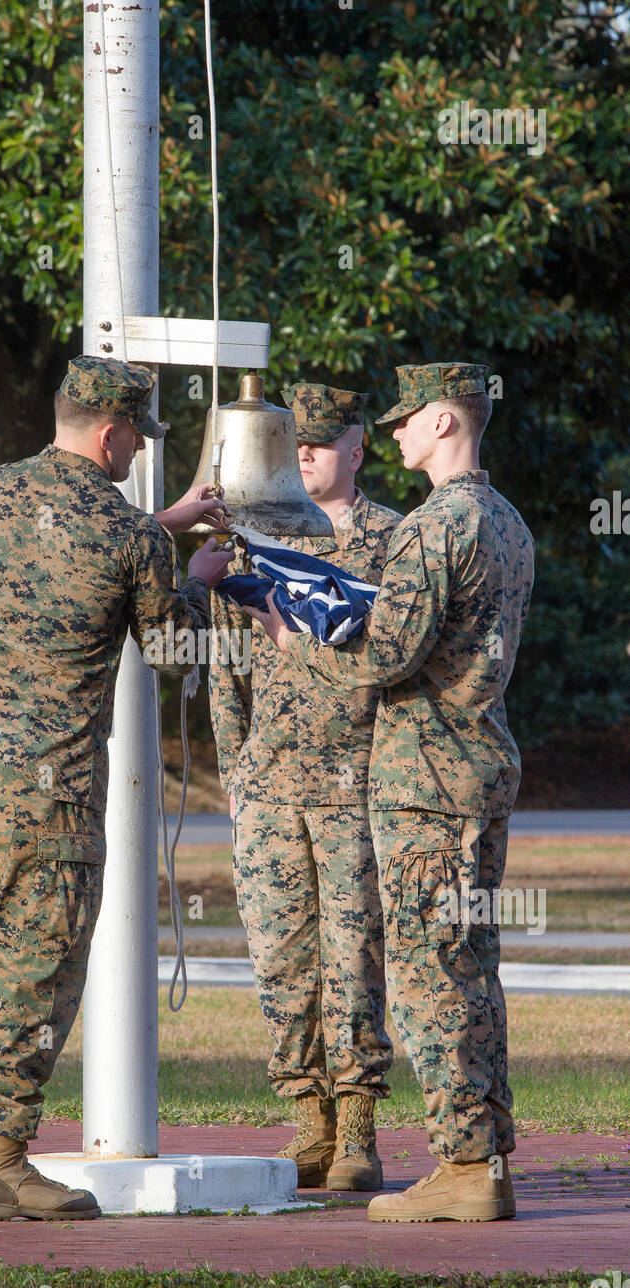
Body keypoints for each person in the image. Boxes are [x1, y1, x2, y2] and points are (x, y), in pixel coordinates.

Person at [0, 355, 231, 1222]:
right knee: (31, 970)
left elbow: (65, 549)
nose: (139, 446)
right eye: (137, 433)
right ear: (110, 431)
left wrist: (162, 523)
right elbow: (173, 648)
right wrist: (199, 582)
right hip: (51, 789)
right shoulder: (130, 536)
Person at [246, 362, 535, 1222]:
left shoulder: (432, 525)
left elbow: (385, 656)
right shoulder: (509, 522)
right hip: (478, 769)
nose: (398, 431)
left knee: (427, 975)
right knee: (473, 966)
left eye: (410, 418)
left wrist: (288, 631)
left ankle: (464, 1164)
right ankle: (485, 1152)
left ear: (445, 423)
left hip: (425, 781)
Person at [209, 383, 402, 1190]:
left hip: (354, 782)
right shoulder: (254, 538)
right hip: (270, 784)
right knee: (280, 955)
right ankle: (308, 1117)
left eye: (322, 444)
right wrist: (237, 774)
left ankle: (357, 1123)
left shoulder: (396, 541)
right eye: (296, 444)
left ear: (357, 449)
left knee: (354, 954)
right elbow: (226, 673)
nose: (306, 456)